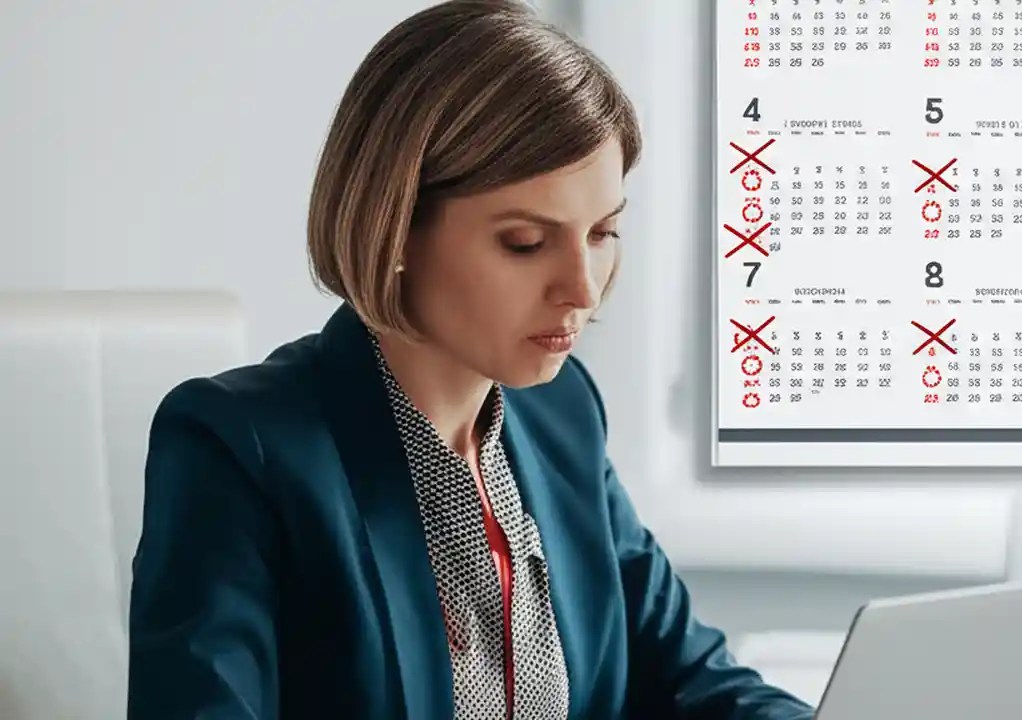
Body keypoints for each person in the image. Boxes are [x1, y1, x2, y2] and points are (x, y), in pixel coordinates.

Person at [125, 1, 816, 718]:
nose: (582, 287)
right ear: (395, 229)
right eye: (525, 242)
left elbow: (690, 678)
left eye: (603, 232)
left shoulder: (562, 411)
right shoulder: (238, 449)